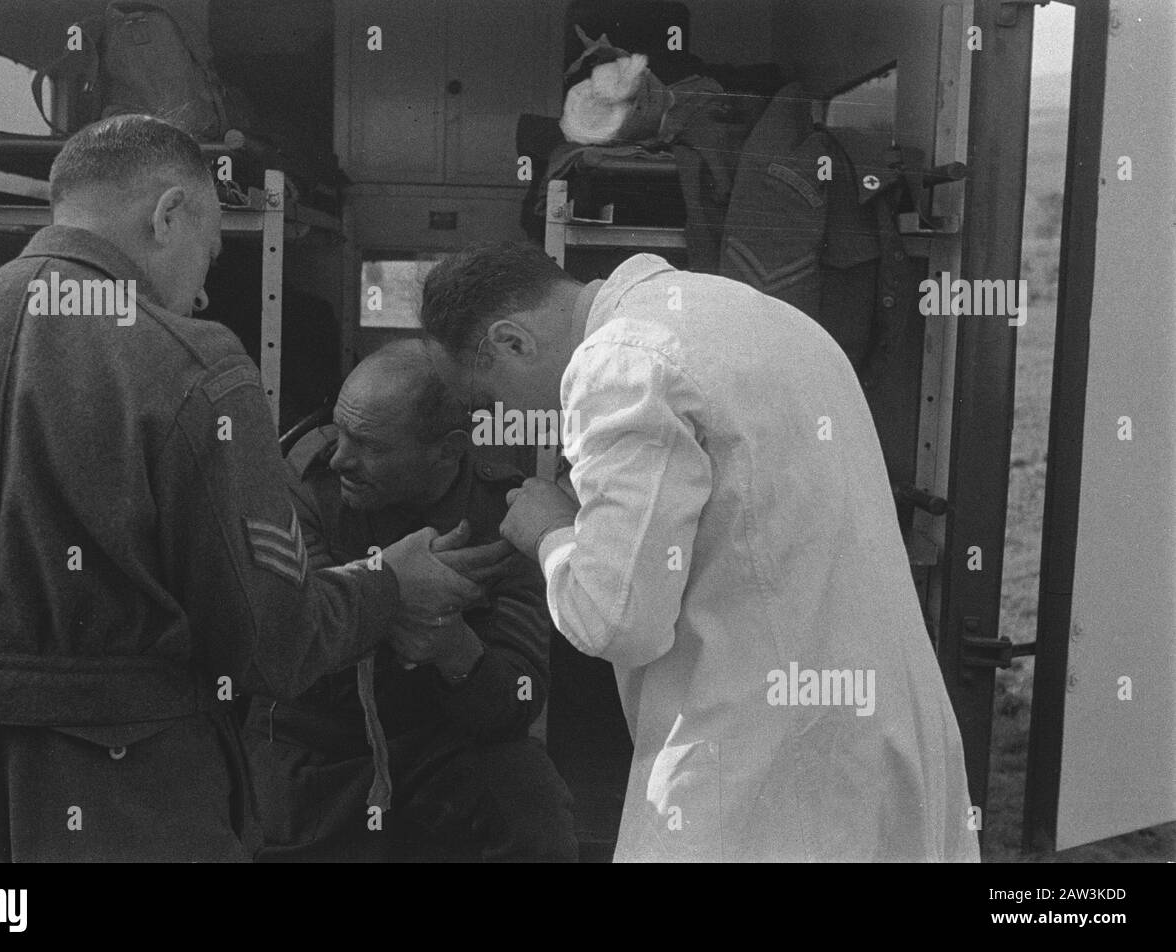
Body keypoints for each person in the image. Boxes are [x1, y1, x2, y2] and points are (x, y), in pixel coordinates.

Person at [0, 115, 488, 862]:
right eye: (208, 252)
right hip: (133, 804)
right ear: (168, 214)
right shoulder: (190, 368)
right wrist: (387, 583)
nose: (200, 295)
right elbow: (272, 643)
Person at [420, 241, 982, 862]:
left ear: (511, 341)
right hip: (884, 734)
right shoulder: (762, 316)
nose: (501, 417)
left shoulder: (618, 362)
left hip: (765, 768)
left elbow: (615, 620)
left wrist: (551, 535)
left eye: (485, 398)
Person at [244, 340, 577, 862]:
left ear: (448, 448)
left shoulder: (502, 513)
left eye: (369, 445)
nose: (340, 458)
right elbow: (292, 640)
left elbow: (513, 702)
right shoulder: (306, 486)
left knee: (533, 810)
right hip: (317, 739)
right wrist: (397, 594)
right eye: (340, 431)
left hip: (436, 740)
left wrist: (452, 644)